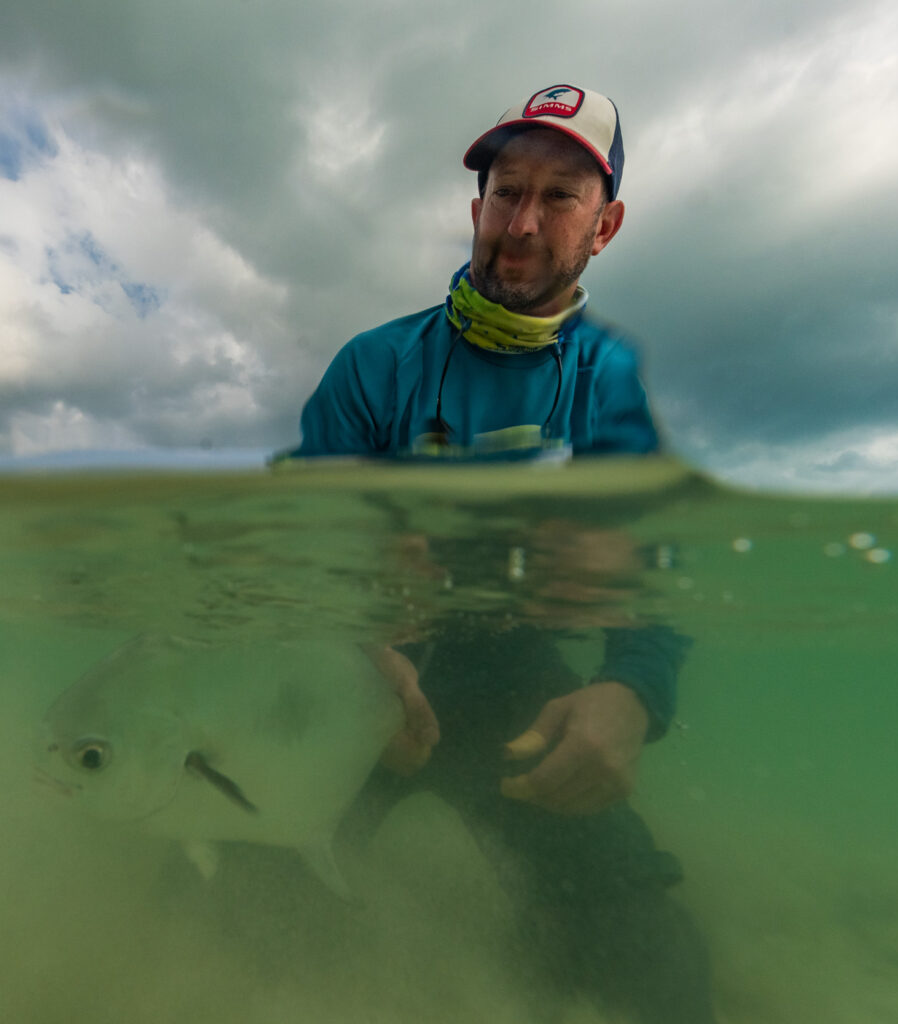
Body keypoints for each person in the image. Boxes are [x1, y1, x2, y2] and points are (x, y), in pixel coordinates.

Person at [287, 85, 717, 1023]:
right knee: (237, 893)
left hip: (517, 693)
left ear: (604, 227)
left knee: (648, 964)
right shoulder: (373, 365)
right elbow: (292, 544)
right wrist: (348, 640)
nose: (521, 224)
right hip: (357, 681)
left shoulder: (613, 385)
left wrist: (633, 692)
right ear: (476, 204)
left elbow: (651, 570)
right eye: (505, 190)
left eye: (559, 197)